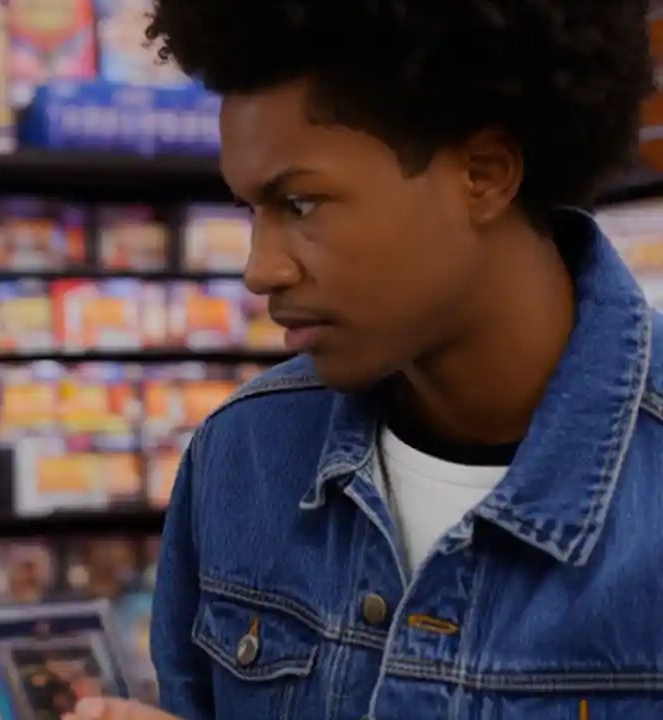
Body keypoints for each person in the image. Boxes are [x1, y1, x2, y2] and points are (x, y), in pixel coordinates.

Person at [68, 1, 663, 719]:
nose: (260, 270)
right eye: (249, 211)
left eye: (301, 204)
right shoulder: (243, 455)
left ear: (483, 172)